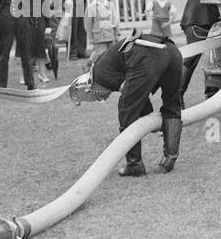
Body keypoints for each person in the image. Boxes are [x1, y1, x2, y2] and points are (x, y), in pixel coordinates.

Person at [78, 29, 183, 177]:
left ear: (91, 86)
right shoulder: (105, 64)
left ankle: (134, 165)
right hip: (172, 50)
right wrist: (149, 117)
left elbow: (133, 100)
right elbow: (139, 96)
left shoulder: (99, 73)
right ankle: (169, 159)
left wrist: (148, 116)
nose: (102, 99)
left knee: (126, 109)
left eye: (97, 96)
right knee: (172, 103)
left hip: (150, 54)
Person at [85, 0, 120, 69]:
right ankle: (98, 70)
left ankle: (110, 70)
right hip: (98, 36)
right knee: (101, 55)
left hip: (110, 34)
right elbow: (88, 24)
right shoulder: (91, 7)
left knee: (112, 54)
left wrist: (117, 33)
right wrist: (90, 37)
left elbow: (115, 20)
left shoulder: (110, 5)